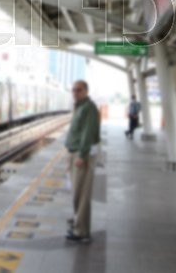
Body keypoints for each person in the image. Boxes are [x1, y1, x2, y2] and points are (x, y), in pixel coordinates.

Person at [65, 80, 101, 244]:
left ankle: (82, 232)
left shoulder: (89, 108)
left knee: (82, 194)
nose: (75, 93)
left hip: (82, 156)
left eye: (78, 90)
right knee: (76, 193)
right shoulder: (79, 106)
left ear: (86, 91)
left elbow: (87, 133)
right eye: (73, 90)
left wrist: (81, 155)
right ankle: (78, 222)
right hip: (75, 153)